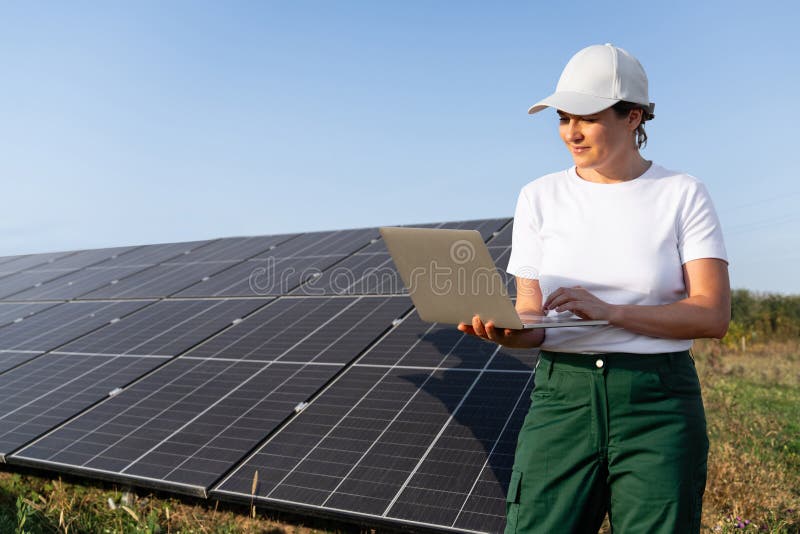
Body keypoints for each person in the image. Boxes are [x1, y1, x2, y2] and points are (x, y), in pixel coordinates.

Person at [457, 43, 730, 533]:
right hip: (562, 400)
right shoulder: (539, 197)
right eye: (563, 118)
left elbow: (712, 315)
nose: (571, 132)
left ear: (634, 116)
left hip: (658, 400)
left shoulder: (683, 194)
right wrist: (508, 333)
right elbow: (533, 319)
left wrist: (610, 312)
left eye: (586, 117)